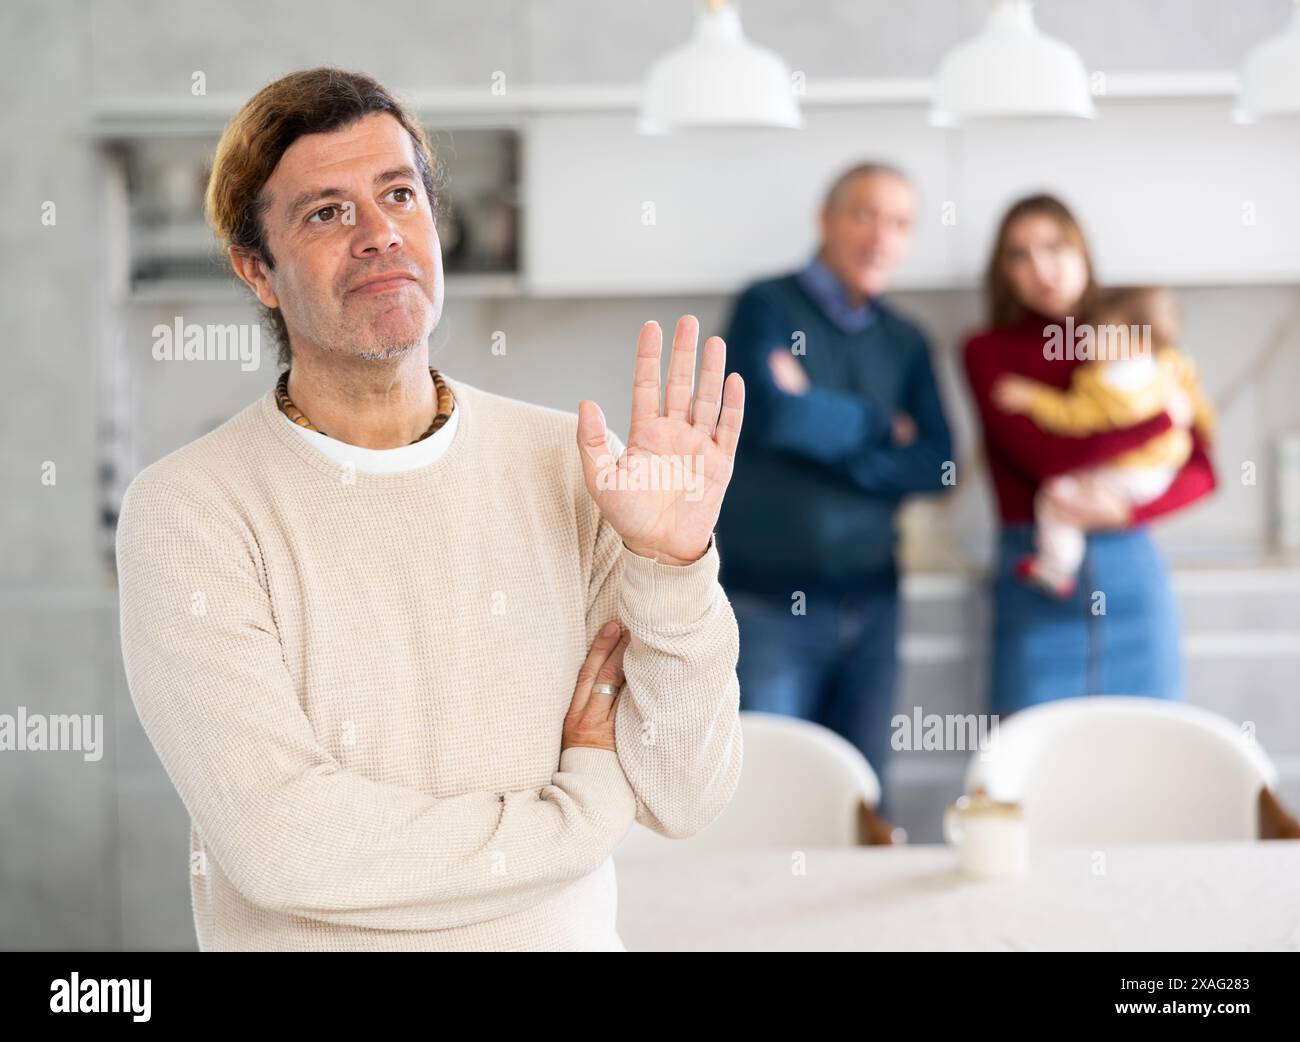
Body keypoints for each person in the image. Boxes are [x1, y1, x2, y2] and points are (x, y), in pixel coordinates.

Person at [114, 67, 746, 952]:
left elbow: (684, 797)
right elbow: (285, 848)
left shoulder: (578, 469)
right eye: (326, 212)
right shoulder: (191, 511)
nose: (378, 235)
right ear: (257, 271)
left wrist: (676, 567)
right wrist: (585, 807)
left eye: (399, 194)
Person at [714, 162, 953, 819]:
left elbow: (937, 463)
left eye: (900, 223)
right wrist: (882, 428)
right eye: (864, 214)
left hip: (875, 606)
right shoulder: (764, 307)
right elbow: (776, 416)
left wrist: (836, 436)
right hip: (768, 610)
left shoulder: (905, 341)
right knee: (768, 798)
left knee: (862, 802)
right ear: (826, 219)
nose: (881, 237)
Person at [962, 195, 1217, 716]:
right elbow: (1048, 458)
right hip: (1037, 578)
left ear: (1082, 250)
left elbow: (1202, 470)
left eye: (1054, 246)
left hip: (1132, 569)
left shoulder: (1138, 340)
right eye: (1019, 255)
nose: (1040, 268)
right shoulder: (987, 350)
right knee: (1022, 762)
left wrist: (1130, 511)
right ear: (1003, 272)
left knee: (1153, 752)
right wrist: (1162, 422)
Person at [993, 286, 1216, 596]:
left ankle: (1055, 569)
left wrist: (1033, 398)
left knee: (1056, 496)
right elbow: (1198, 415)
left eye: (1099, 334)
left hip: (1129, 478)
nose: (1087, 342)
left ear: (1137, 343)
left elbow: (1070, 416)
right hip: (1159, 474)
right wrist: (1192, 423)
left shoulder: (1107, 386)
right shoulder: (1171, 366)